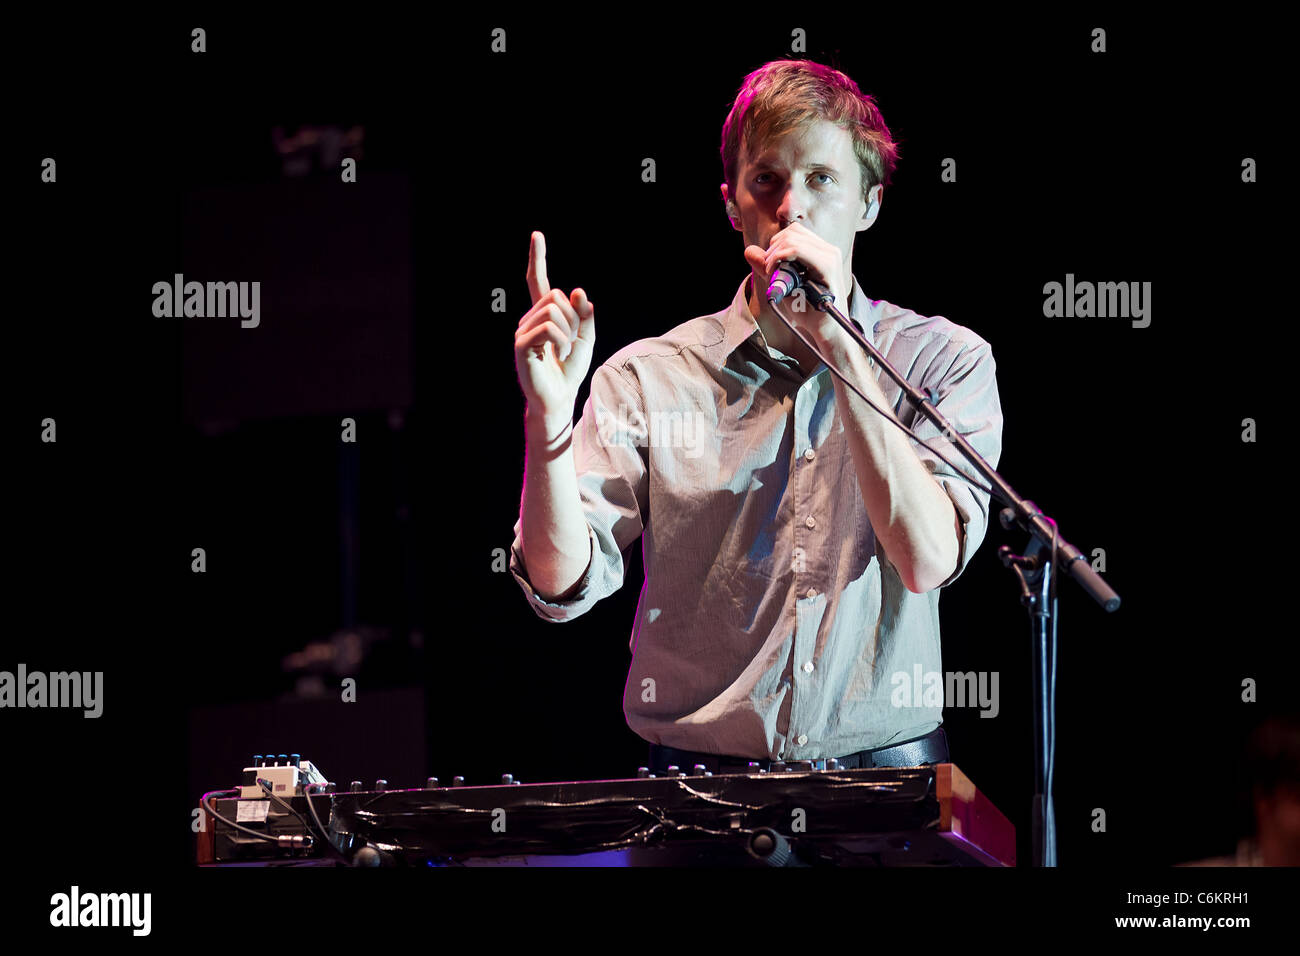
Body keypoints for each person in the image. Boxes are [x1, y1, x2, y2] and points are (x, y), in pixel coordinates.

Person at [509, 59, 1003, 776]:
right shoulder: (650, 377)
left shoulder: (941, 362)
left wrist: (838, 342)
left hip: (888, 796)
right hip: (697, 805)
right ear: (732, 204)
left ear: (869, 204)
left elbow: (927, 558)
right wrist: (546, 426)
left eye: (822, 179)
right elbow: (558, 586)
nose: (791, 206)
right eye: (765, 180)